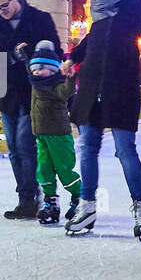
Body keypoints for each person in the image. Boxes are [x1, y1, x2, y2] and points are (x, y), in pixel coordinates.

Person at [61, 0, 141, 237]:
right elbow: (94, 38)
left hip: (121, 86)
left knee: (125, 149)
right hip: (92, 86)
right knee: (88, 147)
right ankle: (88, 206)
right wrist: (73, 59)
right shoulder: (100, 7)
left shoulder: (133, 4)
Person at [0, 0, 62, 218]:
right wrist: (14, 56)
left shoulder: (40, 19)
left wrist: (36, 56)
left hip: (34, 93)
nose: (2, 11)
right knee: (14, 149)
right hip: (7, 92)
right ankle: (24, 197)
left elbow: (55, 53)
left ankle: (31, 198)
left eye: (5, 5)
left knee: (25, 145)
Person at [26, 40, 81, 225]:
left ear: (51, 69)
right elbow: (29, 65)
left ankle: (80, 197)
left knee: (64, 170)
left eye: (41, 68)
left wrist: (71, 77)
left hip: (59, 135)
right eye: (35, 69)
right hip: (41, 135)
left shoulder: (56, 84)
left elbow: (67, 91)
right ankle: (51, 203)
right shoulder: (35, 82)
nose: (37, 72)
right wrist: (24, 55)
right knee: (44, 170)